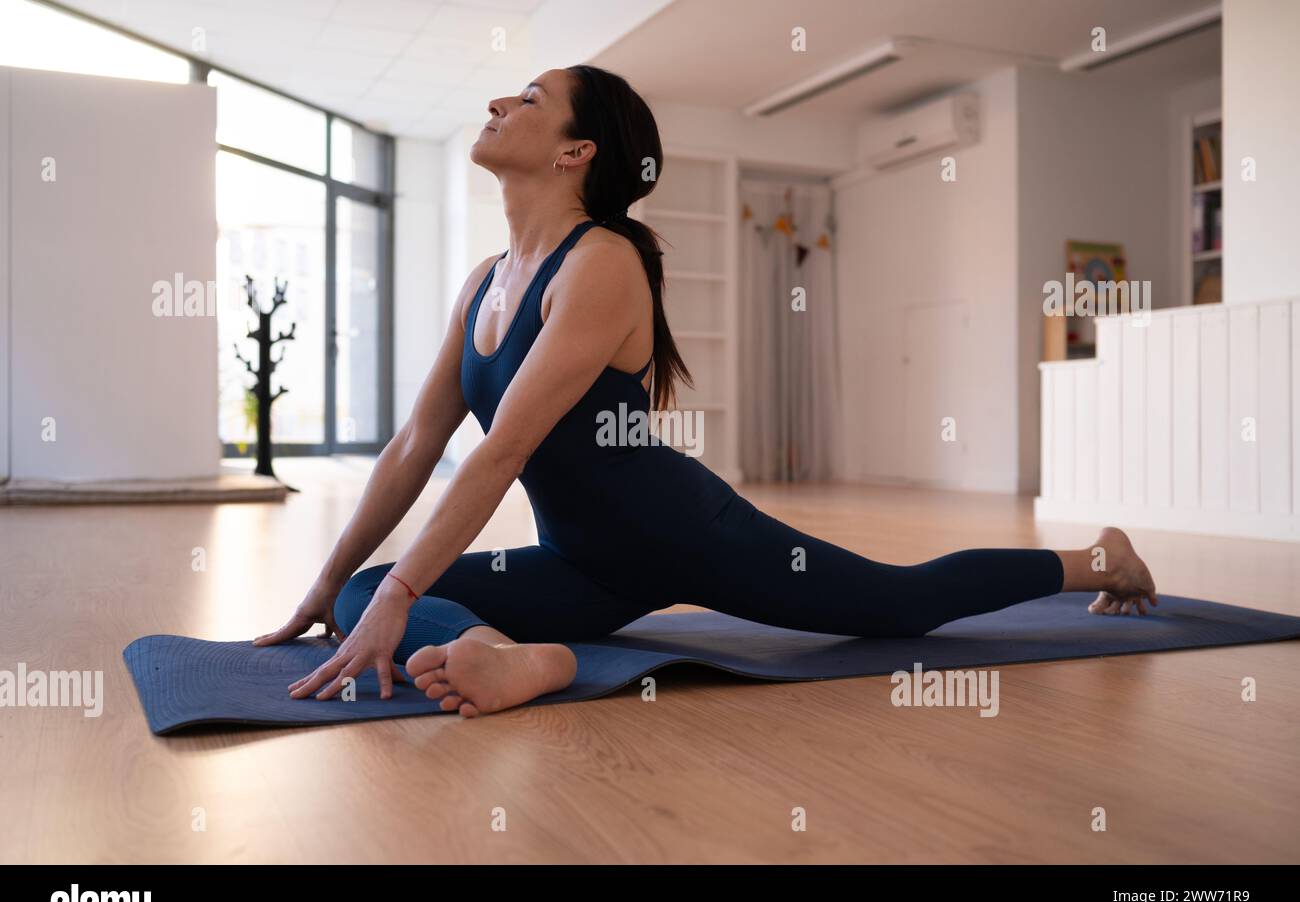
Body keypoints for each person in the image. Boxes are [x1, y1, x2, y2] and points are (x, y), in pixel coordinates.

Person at [255, 65, 1157, 717]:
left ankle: (1095, 561)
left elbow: (505, 449)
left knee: (898, 606)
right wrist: (332, 585)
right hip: (583, 567)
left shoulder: (602, 263)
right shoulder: (486, 280)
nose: (497, 101)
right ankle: (519, 657)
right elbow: (417, 443)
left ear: (577, 151)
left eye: (528, 98)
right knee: (363, 593)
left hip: (685, 535)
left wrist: (400, 596)